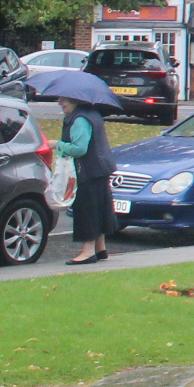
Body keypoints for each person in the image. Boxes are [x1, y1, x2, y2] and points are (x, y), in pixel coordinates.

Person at [62, 94, 117, 264]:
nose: (60, 102)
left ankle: (88, 251)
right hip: (100, 169)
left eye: (63, 99)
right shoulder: (93, 114)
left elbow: (79, 149)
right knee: (100, 208)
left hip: (88, 170)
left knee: (87, 210)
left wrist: (56, 145)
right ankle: (100, 248)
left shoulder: (80, 120)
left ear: (75, 99)